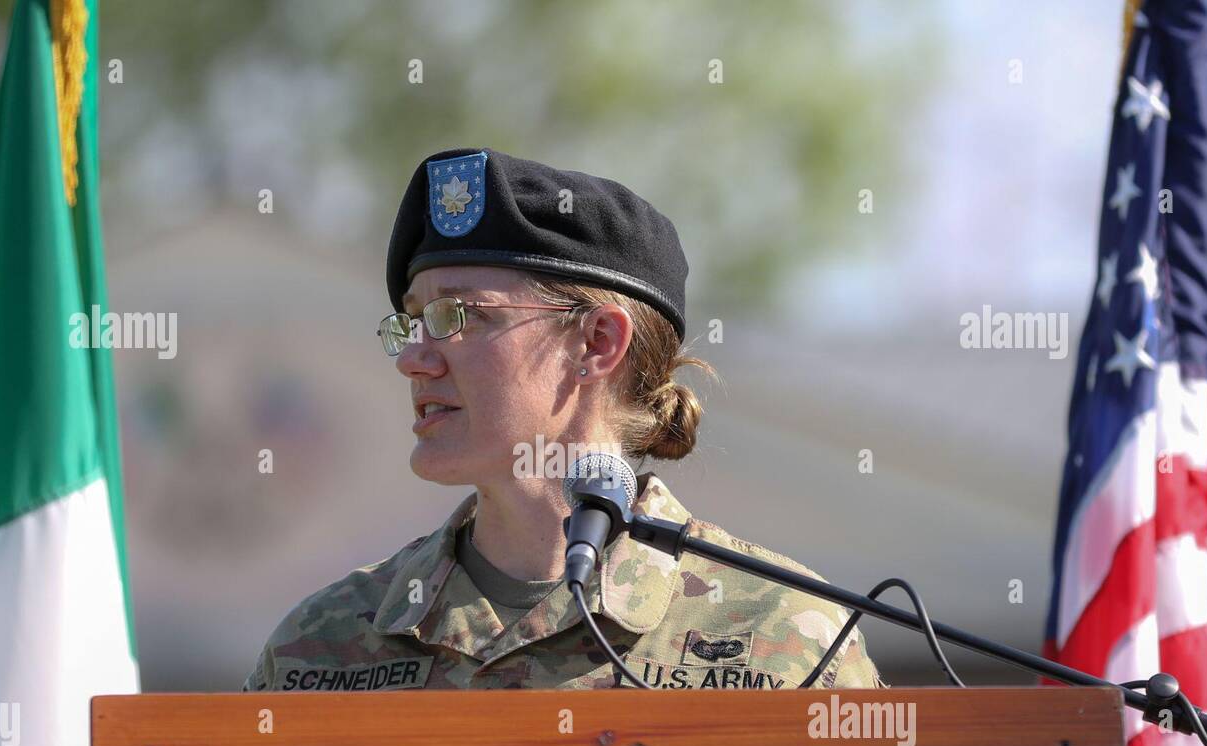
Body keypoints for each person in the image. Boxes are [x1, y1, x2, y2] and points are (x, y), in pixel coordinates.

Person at [244, 147, 882, 693]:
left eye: (460, 316)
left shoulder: (784, 639)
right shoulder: (318, 652)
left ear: (598, 342)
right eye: (412, 322)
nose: (414, 359)